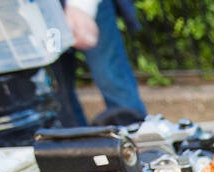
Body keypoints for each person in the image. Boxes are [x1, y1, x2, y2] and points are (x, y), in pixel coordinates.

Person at [53, 0, 149, 128]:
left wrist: (80, 6)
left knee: (111, 78)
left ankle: (137, 138)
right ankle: (75, 144)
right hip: (44, 12)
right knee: (58, 92)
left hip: (85, 5)